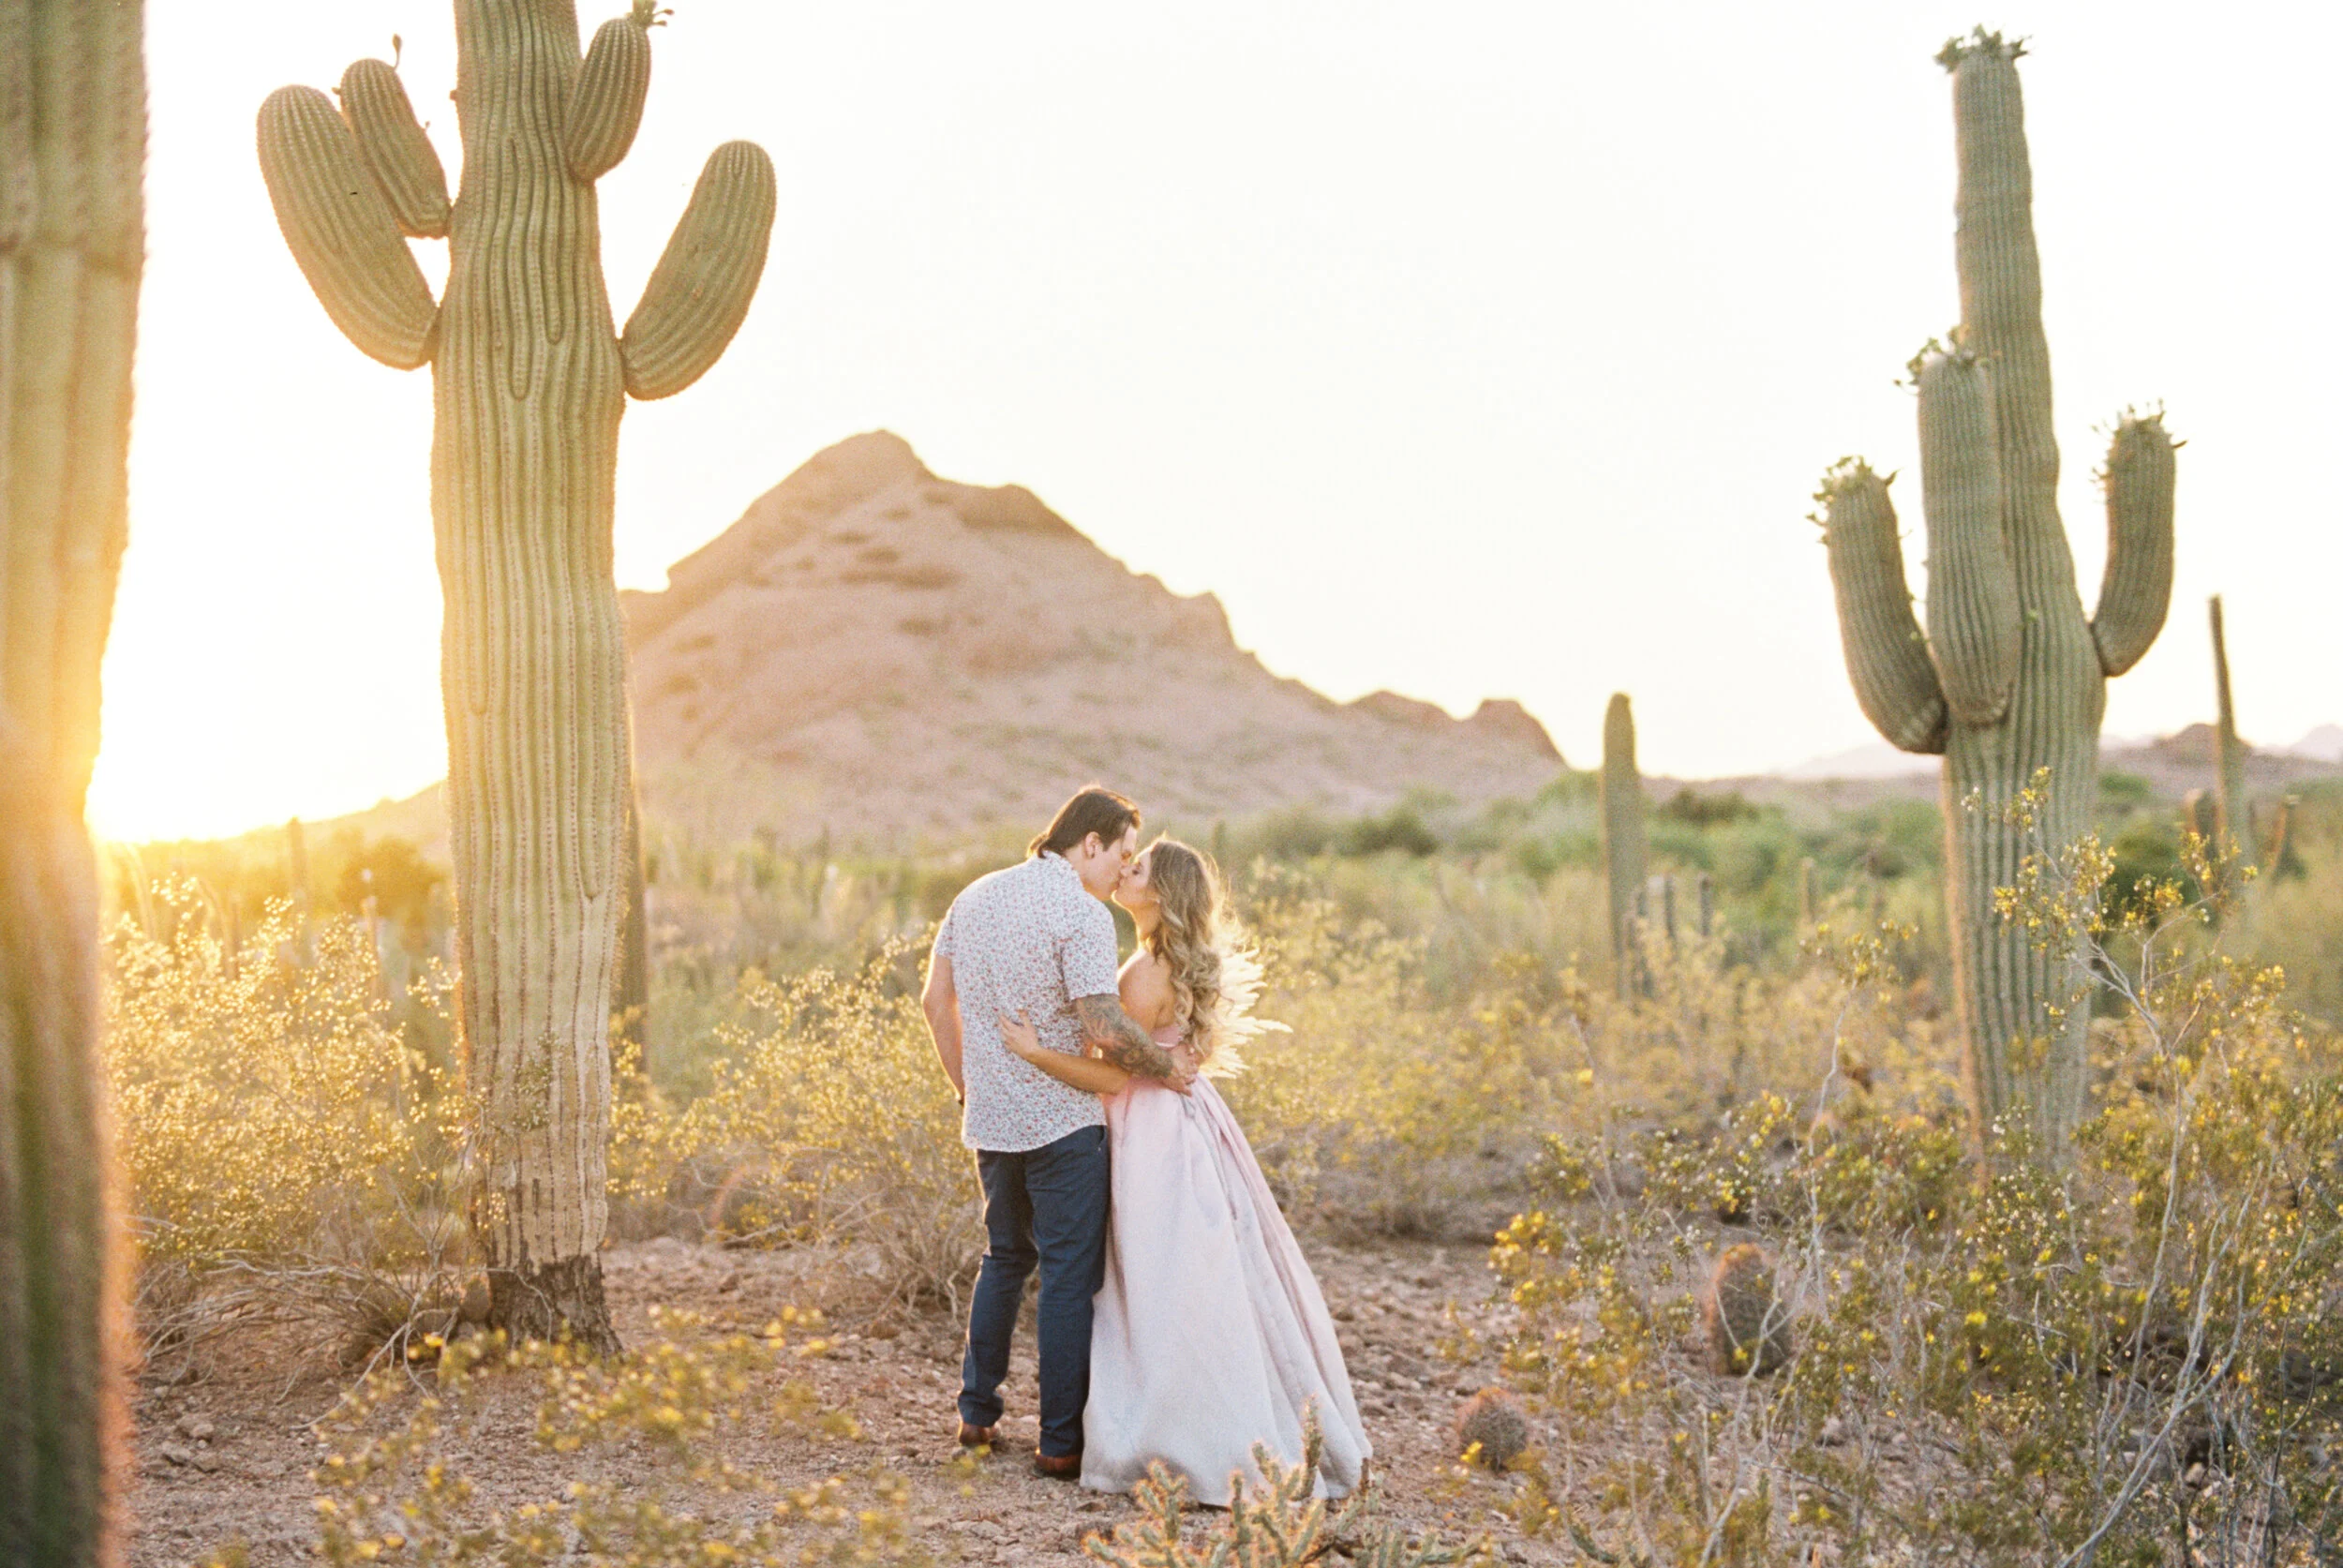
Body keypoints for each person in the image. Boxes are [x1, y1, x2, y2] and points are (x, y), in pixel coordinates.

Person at [997, 837, 1370, 1503]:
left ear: (1161, 894)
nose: (1123, 869)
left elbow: (1114, 1063)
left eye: (1137, 868)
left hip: (1150, 1127)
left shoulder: (1144, 972)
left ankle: (1173, 1432)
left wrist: (1035, 1052)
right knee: (1191, 1271)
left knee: (1154, 1274)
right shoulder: (1166, 960)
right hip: (1186, 1116)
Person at [920, 786, 1194, 1479]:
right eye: (1121, 855)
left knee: (1004, 1258)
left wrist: (965, 1085)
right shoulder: (1081, 912)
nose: (1120, 872)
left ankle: (976, 1414)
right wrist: (1165, 1064)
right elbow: (1103, 1025)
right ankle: (1058, 1441)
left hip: (991, 1121)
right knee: (1069, 1280)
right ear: (1090, 842)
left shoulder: (974, 894)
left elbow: (934, 1001)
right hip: (1066, 1124)